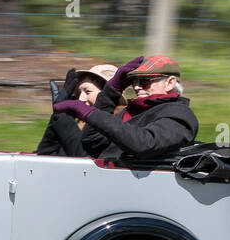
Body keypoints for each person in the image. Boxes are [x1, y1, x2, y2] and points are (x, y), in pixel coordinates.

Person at [56, 54, 197, 164]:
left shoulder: (180, 114)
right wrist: (112, 90)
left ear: (169, 83)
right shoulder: (131, 111)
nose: (136, 87)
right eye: (133, 82)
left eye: (144, 81)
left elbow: (144, 144)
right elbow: (93, 143)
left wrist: (90, 113)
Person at [36, 63, 117, 157]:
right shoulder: (79, 124)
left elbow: (83, 159)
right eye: (79, 92)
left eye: (88, 92)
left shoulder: (114, 127)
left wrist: (62, 115)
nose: (81, 99)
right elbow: (45, 155)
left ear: (107, 95)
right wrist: (57, 117)